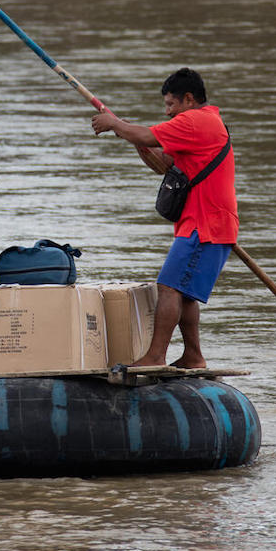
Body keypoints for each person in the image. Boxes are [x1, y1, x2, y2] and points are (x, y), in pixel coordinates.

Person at [89, 67, 237, 370]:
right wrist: (129, 133)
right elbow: (163, 162)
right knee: (184, 293)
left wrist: (114, 123)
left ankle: (155, 356)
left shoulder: (196, 120)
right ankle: (194, 356)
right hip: (205, 222)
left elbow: (147, 134)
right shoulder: (202, 123)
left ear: (188, 99)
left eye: (171, 105)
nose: (168, 112)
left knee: (169, 287)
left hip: (206, 225)